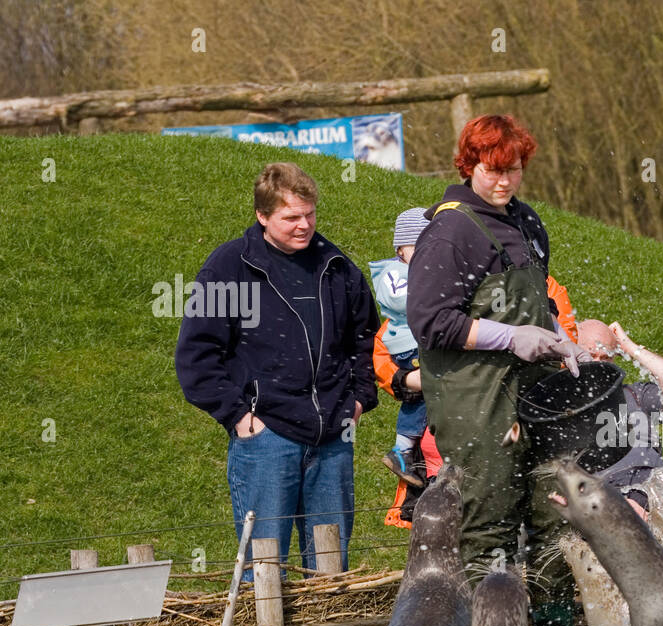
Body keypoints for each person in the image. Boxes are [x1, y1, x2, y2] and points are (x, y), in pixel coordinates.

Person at [407, 114, 589, 626]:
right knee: (491, 523)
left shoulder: (527, 222)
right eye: (492, 170)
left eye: (513, 170)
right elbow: (431, 321)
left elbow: (536, 301)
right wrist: (511, 337)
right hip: (476, 400)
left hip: (535, 393)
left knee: (557, 512)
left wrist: (558, 335)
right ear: (469, 166)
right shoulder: (450, 231)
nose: (503, 181)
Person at [176, 161, 379, 574]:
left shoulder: (336, 264)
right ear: (262, 216)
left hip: (333, 437)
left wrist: (359, 400)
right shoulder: (230, 267)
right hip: (266, 437)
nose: (304, 225)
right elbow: (197, 355)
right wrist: (239, 416)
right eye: (291, 217)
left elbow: (367, 339)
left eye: (310, 214)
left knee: (330, 570)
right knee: (264, 567)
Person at [378, 275, 576, 528]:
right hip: (446, 419)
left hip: (513, 415)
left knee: (509, 511)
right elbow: (387, 342)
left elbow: (561, 344)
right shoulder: (447, 274)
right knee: (443, 520)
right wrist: (406, 378)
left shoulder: (541, 283)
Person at [574, 319, 663, 519]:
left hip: (657, 502)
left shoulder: (637, 396)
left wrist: (629, 346)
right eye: (589, 355)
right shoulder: (563, 410)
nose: (598, 364)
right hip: (606, 511)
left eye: (606, 357)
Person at [370, 207, 433, 488]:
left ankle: (407, 448)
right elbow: (401, 300)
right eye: (415, 246)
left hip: (420, 340)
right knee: (422, 392)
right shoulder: (394, 273)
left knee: (429, 394)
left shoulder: (423, 270)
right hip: (408, 345)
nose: (424, 253)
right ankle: (403, 446)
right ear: (400, 249)